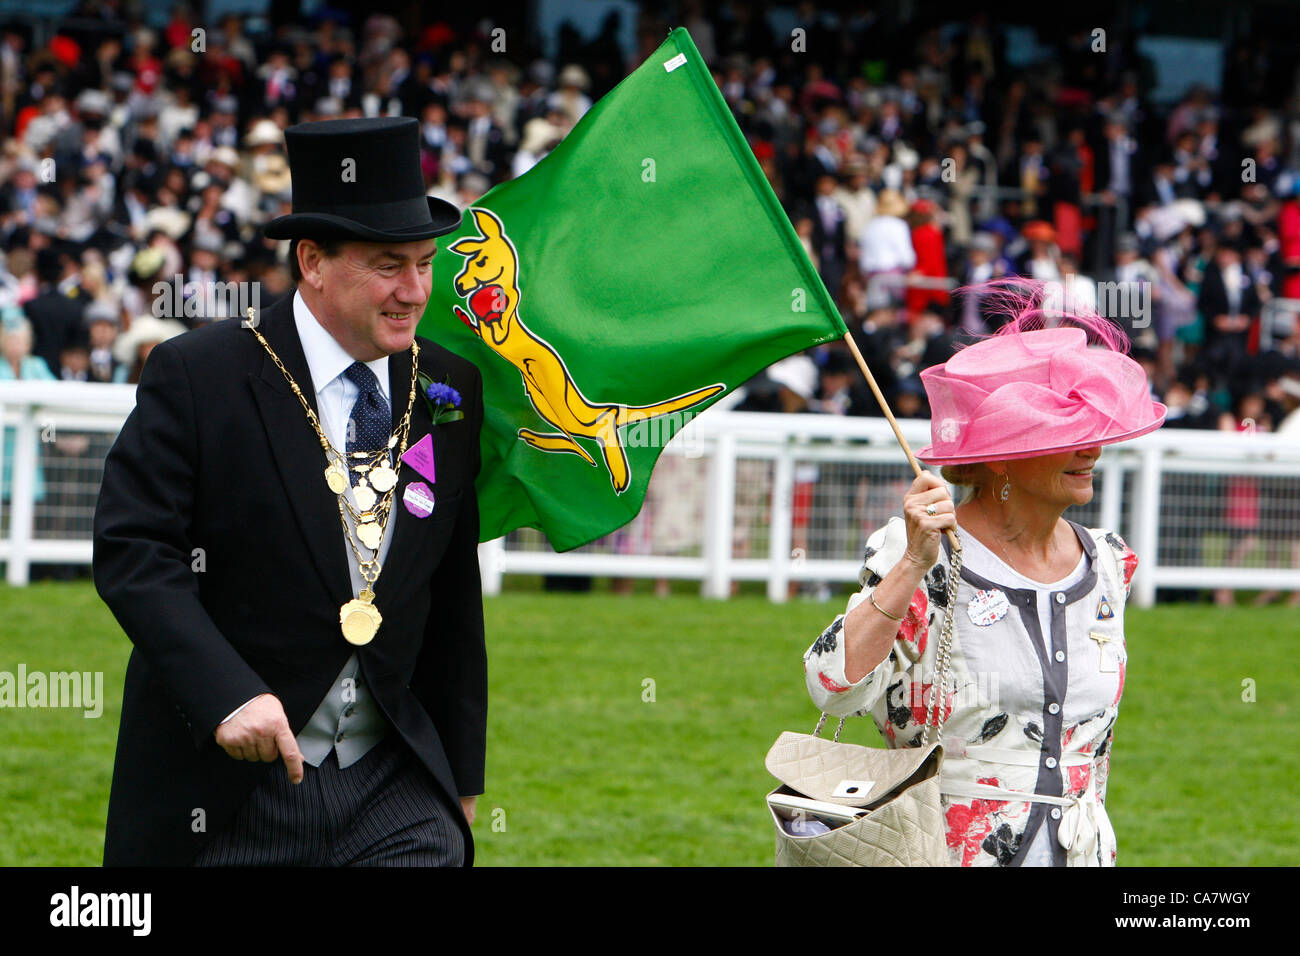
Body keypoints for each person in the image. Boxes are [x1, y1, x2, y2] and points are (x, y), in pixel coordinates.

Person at [93, 116, 487, 866]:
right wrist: (227, 695)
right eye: (387, 266)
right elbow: (133, 551)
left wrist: (459, 776)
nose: (414, 291)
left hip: (394, 788)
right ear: (312, 261)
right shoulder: (199, 375)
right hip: (228, 795)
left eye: (425, 263)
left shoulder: (449, 390)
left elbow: (452, 593)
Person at [802, 281, 1166, 866]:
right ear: (1001, 453)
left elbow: (1095, 753)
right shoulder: (924, 548)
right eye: (1064, 437)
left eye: (1092, 432)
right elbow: (832, 687)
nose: (1091, 451)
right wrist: (914, 566)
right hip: (937, 850)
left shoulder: (1109, 565)